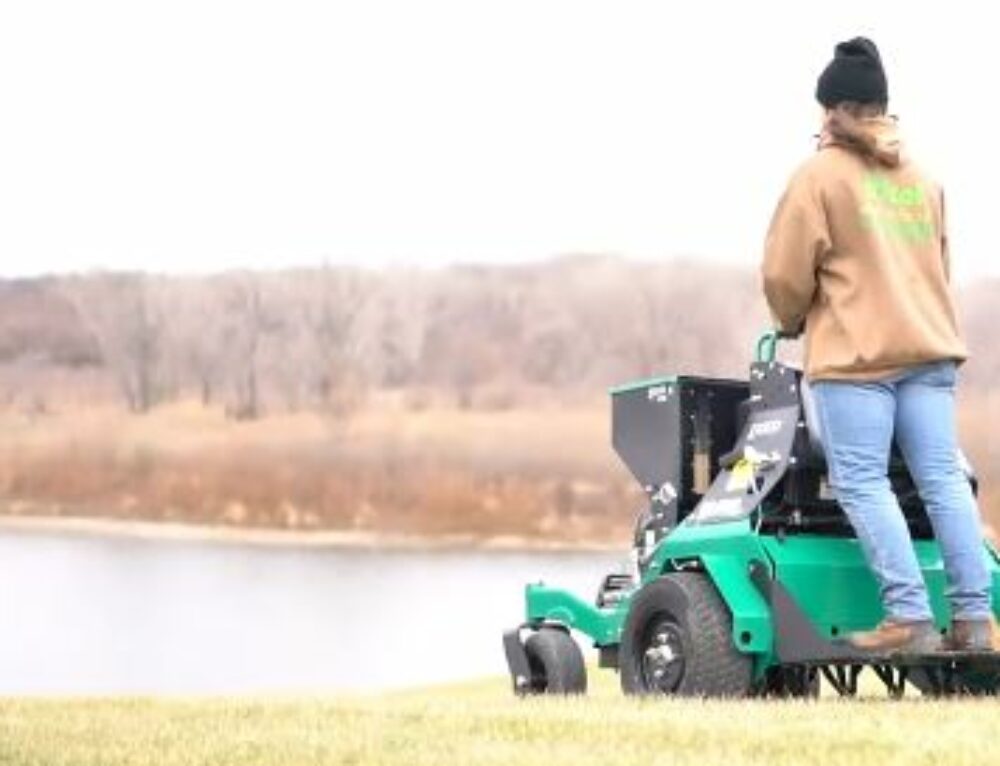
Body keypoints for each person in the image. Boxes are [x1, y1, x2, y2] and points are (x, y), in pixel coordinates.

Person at [761, 37, 996, 653]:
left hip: (859, 359)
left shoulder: (818, 177)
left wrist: (790, 321)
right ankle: (975, 622)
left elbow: (786, 276)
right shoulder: (923, 181)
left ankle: (910, 619)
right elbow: (940, 267)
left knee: (864, 481)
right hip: (931, 350)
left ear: (830, 110)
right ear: (882, 107)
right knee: (943, 481)